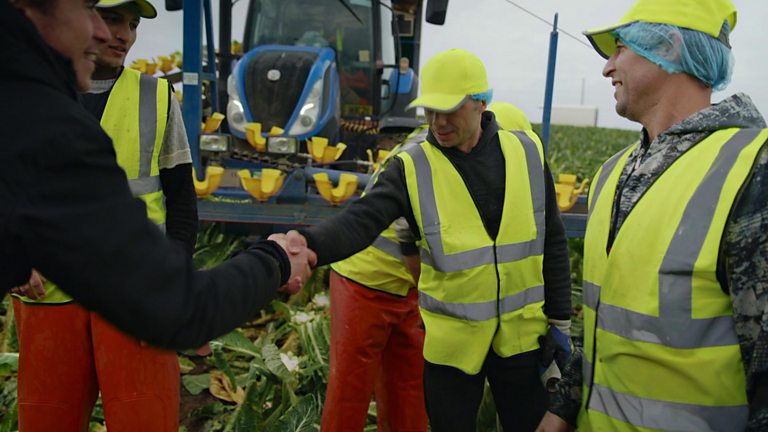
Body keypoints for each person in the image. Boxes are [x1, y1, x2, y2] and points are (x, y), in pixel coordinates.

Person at [273, 48, 573, 431]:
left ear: (482, 104)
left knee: (424, 401)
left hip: (515, 340)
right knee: (355, 386)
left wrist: (559, 322)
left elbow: (552, 242)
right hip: (412, 316)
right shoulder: (413, 164)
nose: (438, 122)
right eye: (430, 110)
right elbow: (364, 223)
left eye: (449, 110)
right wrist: (306, 244)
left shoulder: (526, 154)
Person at [1, 0, 314, 357]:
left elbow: (180, 198)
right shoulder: (41, 119)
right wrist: (275, 260)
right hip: (85, 297)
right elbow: (180, 309)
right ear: (24, 8)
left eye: (132, 24)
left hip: (128, 286)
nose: (110, 34)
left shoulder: (137, 97)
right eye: (93, 12)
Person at [537, 0, 768, 430]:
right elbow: (606, 326)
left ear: (670, 47)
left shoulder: (753, 169)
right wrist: (562, 410)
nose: (608, 67)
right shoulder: (614, 173)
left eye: (620, 47)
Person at [10, 0, 195, 429]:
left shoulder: (156, 95)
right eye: (113, 19)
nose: (125, 35)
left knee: (145, 419)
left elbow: (182, 203)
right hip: (49, 294)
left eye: (132, 25)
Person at [321, 126, 429, 432]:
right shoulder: (425, 153)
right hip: (362, 283)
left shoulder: (464, 146)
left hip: (406, 286)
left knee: (408, 391)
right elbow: (404, 227)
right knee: (351, 390)